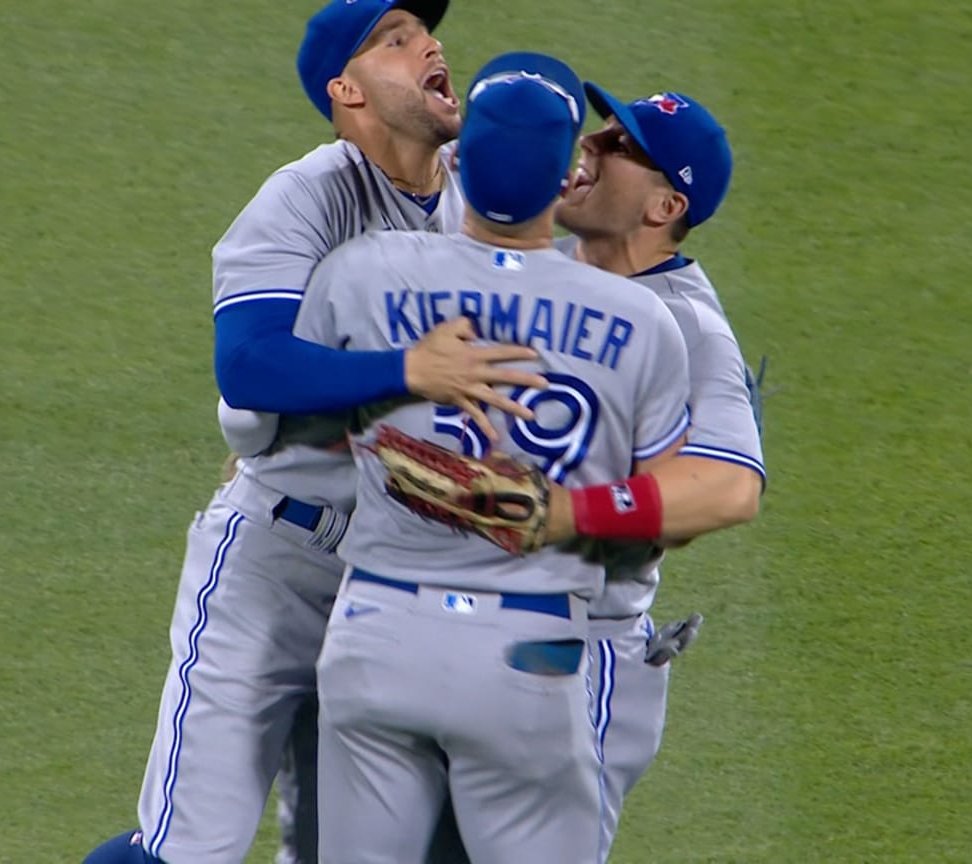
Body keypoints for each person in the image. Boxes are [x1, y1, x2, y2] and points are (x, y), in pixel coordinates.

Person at [80, 2, 546, 862]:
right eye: (396, 41)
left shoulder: (486, 198)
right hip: (277, 564)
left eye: (428, 33)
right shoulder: (304, 198)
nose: (430, 47)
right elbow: (251, 361)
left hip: (402, 581)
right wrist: (410, 371)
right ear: (347, 90)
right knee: (187, 849)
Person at [292, 53, 694, 864]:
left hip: (374, 632)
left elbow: (283, 426)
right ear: (563, 182)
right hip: (528, 652)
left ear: (460, 162)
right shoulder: (645, 321)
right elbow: (664, 519)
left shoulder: (362, 270)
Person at [414, 87, 767, 862]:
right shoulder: (547, 265)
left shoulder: (688, 325)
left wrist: (564, 513)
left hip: (573, 662)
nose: (593, 146)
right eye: (601, 130)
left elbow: (730, 488)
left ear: (664, 205)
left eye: (621, 146)